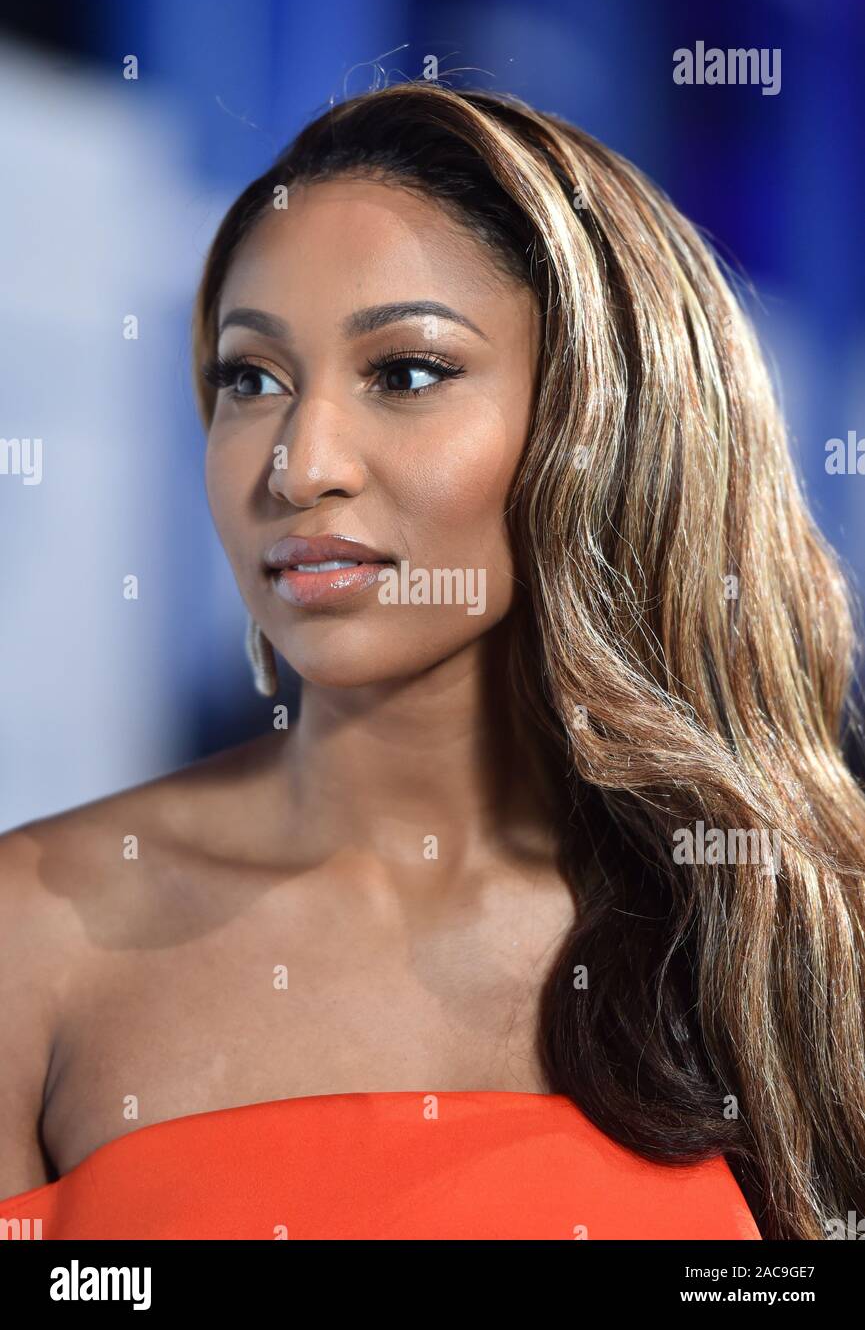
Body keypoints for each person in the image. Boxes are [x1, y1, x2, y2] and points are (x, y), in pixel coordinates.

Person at [1, 82, 862, 1240]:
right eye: (249, 379)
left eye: (405, 373)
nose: (299, 465)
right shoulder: (34, 937)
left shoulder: (796, 924)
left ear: (603, 422)